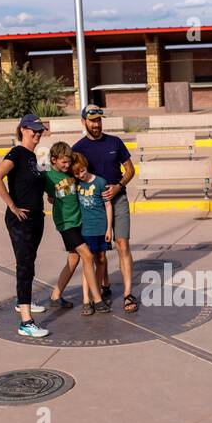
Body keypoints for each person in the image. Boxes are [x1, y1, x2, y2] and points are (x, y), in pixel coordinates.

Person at [72, 105, 138, 312]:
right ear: (84, 122)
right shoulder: (78, 149)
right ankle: (104, 286)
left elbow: (130, 169)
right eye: (92, 121)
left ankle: (128, 293)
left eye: (99, 120)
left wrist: (118, 186)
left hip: (118, 199)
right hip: (93, 206)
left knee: (122, 243)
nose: (96, 124)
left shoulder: (115, 142)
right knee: (98, 251)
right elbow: (69, 175)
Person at [0, 114, 51, 338]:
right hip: (21, 220)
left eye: (40, 131)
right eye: (34, 131)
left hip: (36, 217)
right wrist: (12, 206)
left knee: (30, 261)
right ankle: (26, 322)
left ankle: (22, 301)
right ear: (23, 130)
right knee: (24, 265)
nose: (37, 135)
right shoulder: (17, 153)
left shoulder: (33, 157)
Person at [44, 141, 109, 315]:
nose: (67, 165)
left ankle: (55, 296)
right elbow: (46, 194)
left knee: (74, 259)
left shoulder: (71, 173)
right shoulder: (48, 177)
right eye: (63, 162)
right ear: (54, 160)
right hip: (66, 224)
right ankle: (96, 299)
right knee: (87, 256)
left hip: (80, 221)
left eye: (68, 162)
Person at [72, 151, 113, 283]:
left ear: (86, 166)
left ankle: (98, 290)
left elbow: (108, 206)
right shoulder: (76, 184)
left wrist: (108, 230)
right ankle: (89, 295)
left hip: (101, 228)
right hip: (85, 230)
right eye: (77, 173)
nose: (81, 175)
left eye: (82, 171)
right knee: (88, 262)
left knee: (100, 260)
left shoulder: (100, 182)